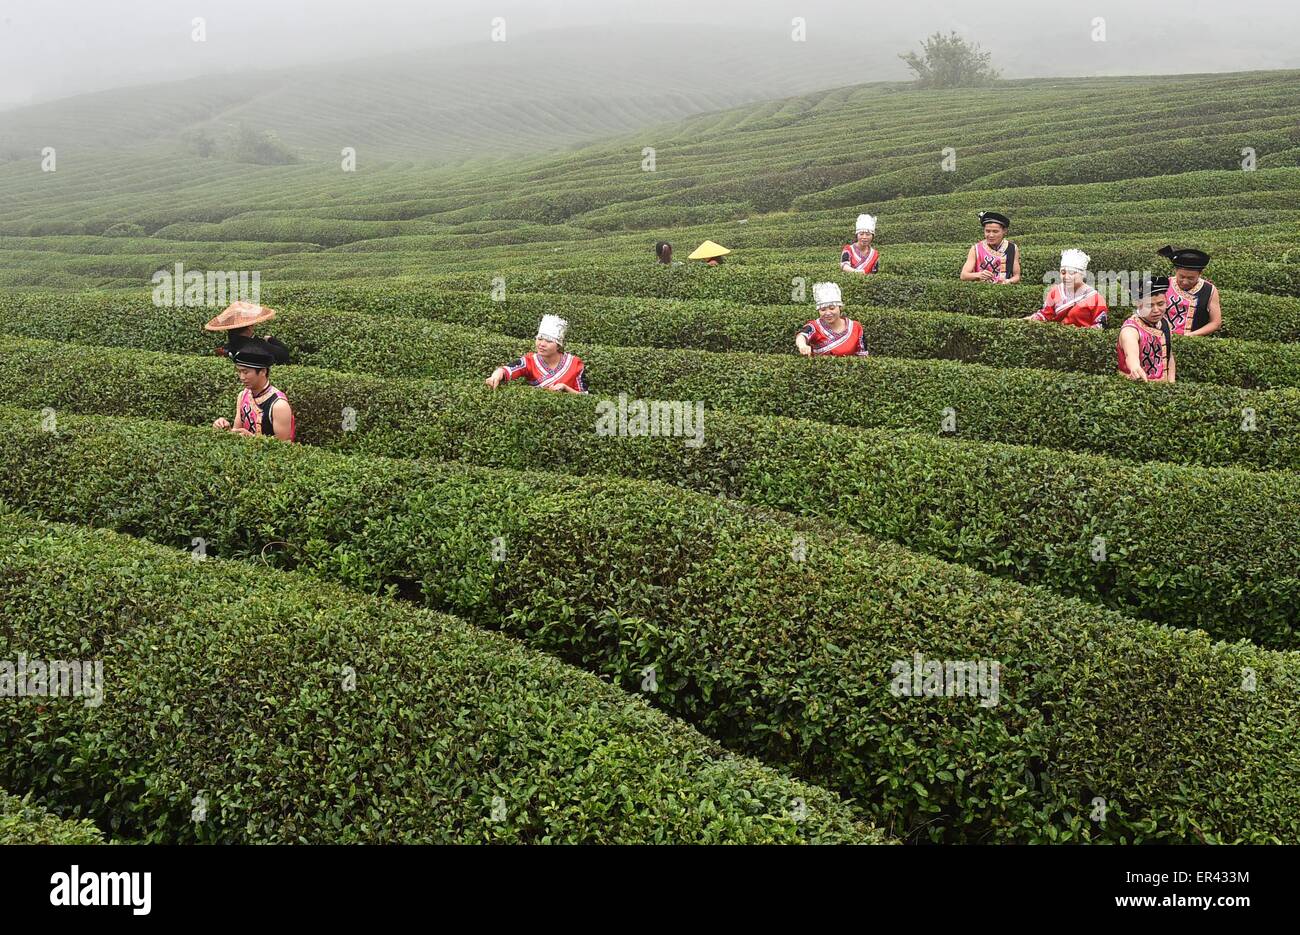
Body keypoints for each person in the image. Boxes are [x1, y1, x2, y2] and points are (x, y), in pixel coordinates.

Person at [212, 340, 296, 441]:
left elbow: (284, 444)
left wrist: (252, 438)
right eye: (239, 371)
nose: (242, 377)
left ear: (263, 371)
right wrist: (225, 427)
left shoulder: (279, 405)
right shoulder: (243, 395)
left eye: (246, 372)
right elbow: (236, 431)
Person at [485, 315, 588, 393]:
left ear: (558, 345)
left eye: (548, 341)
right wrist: (496, 375)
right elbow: (507, 370)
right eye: (539, 339)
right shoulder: (530, 361)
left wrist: (565, 388)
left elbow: (584, 396)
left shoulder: (575, 363)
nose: (542, 344)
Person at [1025, 249, 1108, 328]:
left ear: (1082, 274)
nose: (1066, 277)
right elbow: (1046, 315)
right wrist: (1028, 320)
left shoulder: (1095, 298)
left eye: (1072, 273)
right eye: (1063, 273)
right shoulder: (1055, 291)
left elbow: (1100, 325)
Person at [1117, 275, 1176, 384]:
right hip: (1136, 387)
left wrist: (1171, 384)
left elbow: (1169, 356)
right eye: (1149, 305)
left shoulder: (1165, 323)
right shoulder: (1130, 330)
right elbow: (1131, 356)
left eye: (1161, 304)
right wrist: (1135, 367)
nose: (1156, 310)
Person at [1158, 245, 1221, 336]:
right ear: (1176, 271)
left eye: (1191, 278)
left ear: (1200, 274)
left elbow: (1216, 323)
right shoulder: (1164, 285)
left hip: (1194, 340)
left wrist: (1190, 336)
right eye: (1181, 277)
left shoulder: (1209, 290)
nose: (1185, 282)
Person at [796, 283, 869, 357]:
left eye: (832, 308)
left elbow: (863, 355)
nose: (827, 313)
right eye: (823, 310)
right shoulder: (814, 326)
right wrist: (802, 345)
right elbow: (802, 336)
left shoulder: (856, 327)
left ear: (839, 308)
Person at [205, 301, 291, 364]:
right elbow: (284, 354)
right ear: (250, 327)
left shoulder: (225, 348)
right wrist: (270, 339)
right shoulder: (259, 345)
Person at [961, 211, 1020, 283]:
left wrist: (1008, 281)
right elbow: (963, 275)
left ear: (1004, 231)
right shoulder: (975, 249)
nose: (991, 235)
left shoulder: (1012, 248)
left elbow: (1017, 276)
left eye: (995, 231)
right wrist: (979, 275)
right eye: (988, 231)